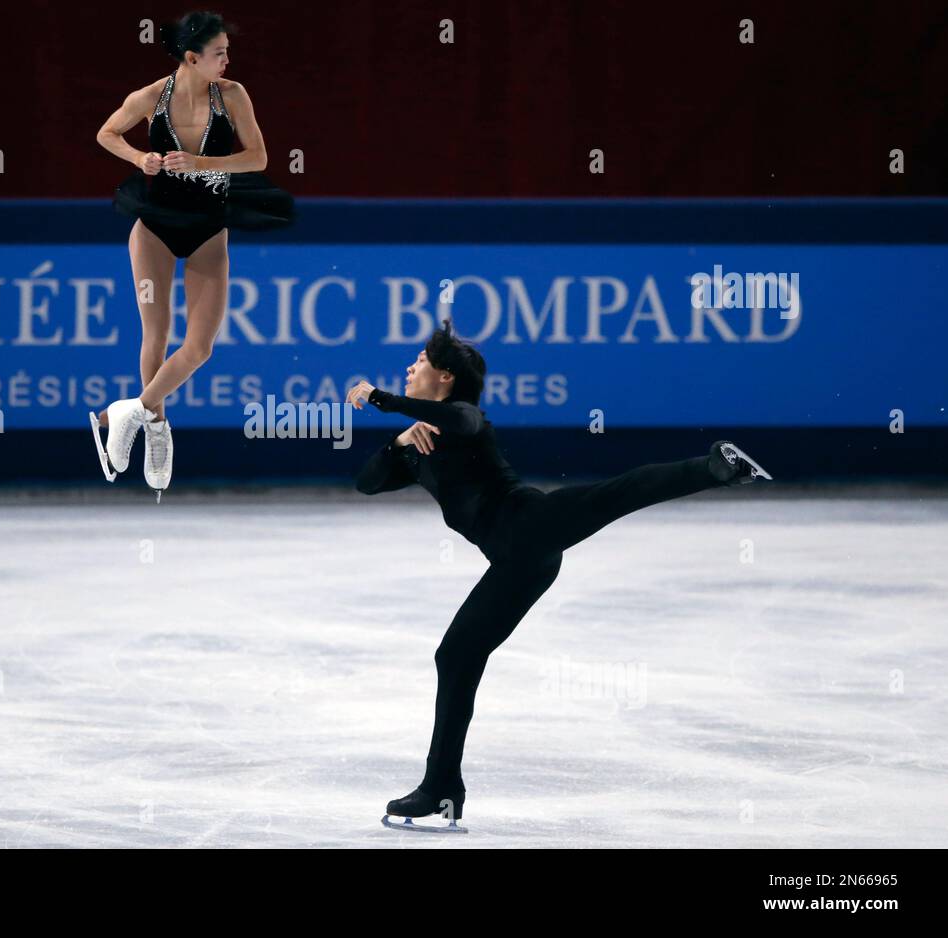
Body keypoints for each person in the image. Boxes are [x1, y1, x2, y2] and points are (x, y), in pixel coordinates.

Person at [346, 321, 772, 827]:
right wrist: (398, 442)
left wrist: (382, 399)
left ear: (443, 379)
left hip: (531, 525)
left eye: (419, 362)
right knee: (455, 656)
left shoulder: (467, 419)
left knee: (611, 495)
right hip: (516, 565)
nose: (410, 366)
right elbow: (366, 483)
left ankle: (716, 467)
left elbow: (457, 419)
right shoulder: (419, 449)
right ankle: (443, 788)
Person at [92, 10, 296, 499]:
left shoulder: (233, 96)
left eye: (227, 50)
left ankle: (132, 411)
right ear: (192, 57)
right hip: (155, 227)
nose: (228, 59)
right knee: (156, 335)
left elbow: (258, 158)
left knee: (200, 347)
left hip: (207, 230)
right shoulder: (149, 97)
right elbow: (106, 133)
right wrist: (140, 157)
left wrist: (201, 163)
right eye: (219, 52)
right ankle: (157, 428)